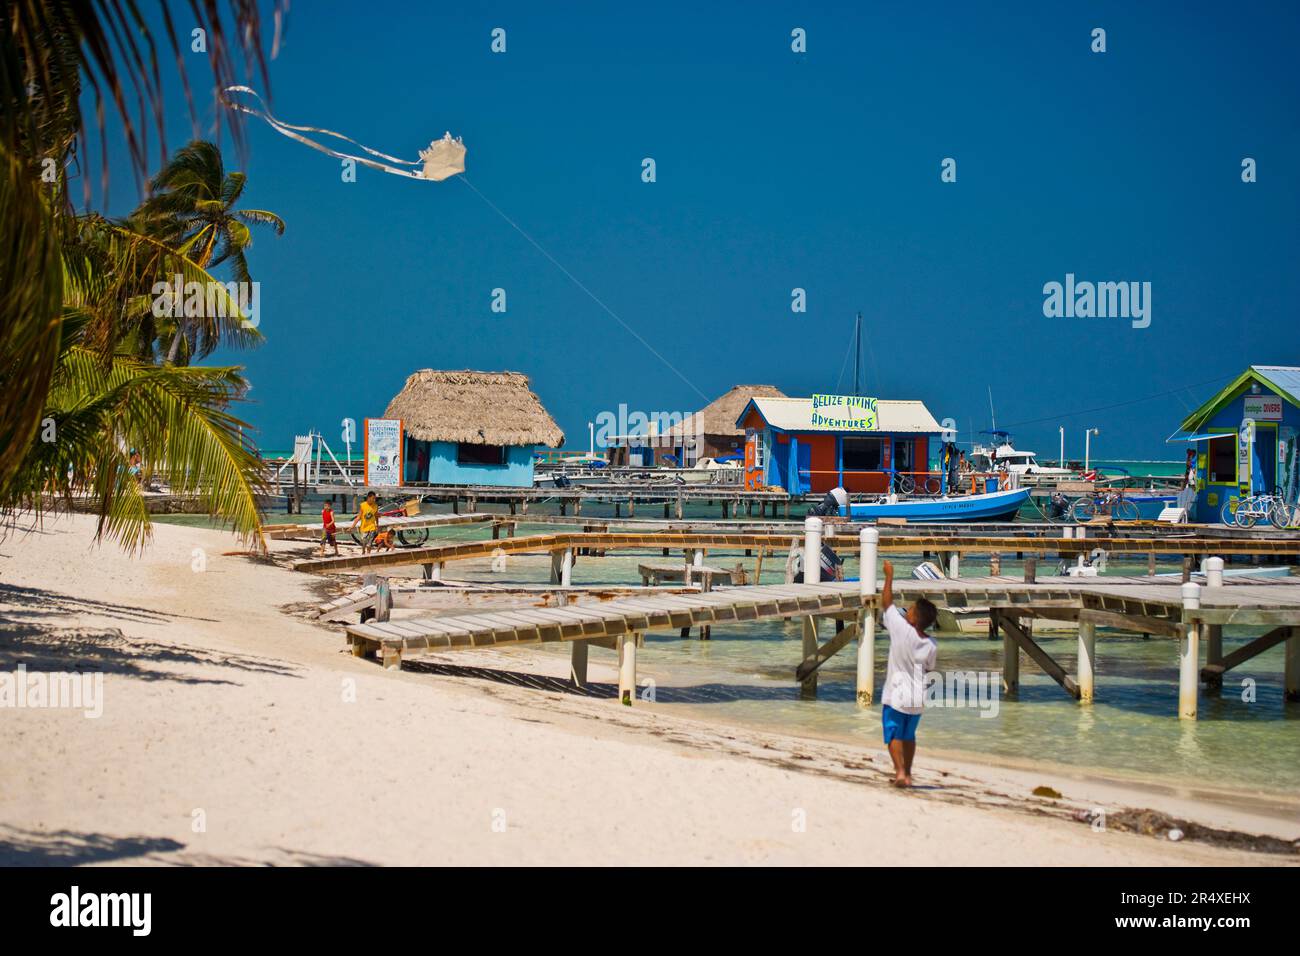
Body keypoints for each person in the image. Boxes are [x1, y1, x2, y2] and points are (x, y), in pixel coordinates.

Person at [880, 560, 938, 788]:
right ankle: (910, 772)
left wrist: (889, 576)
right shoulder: (931, 644)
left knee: (893, 734)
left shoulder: (901, 629)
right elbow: (930, 668)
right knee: (909, 736)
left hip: (896, 695)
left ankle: (900, 772)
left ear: (913, 618)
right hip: (917, 697)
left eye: (911, 609)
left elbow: (886, 603)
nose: (908, 610)